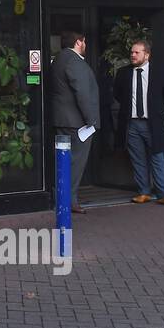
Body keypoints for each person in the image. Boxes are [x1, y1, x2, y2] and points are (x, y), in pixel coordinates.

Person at [113, 39, 164, 207]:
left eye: (137, 52)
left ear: (147, 55)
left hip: (153, 123)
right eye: (132, 52)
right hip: (132, 124)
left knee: (157, 158)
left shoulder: (159, 72)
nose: (132, 55)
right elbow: (118, 95)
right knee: (138, 159)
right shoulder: (123, 73)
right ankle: (144, 192)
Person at [49, 30, 99, 214]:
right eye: (84, 42)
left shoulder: (58, 59)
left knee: (63, 161)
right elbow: (82, 93)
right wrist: (91, 120)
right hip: (76, 122)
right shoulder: (74, 61)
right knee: (75, 162)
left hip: (63, 119)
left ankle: (62, 198)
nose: (85, 45)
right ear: (79, 42)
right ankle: (69, 200)